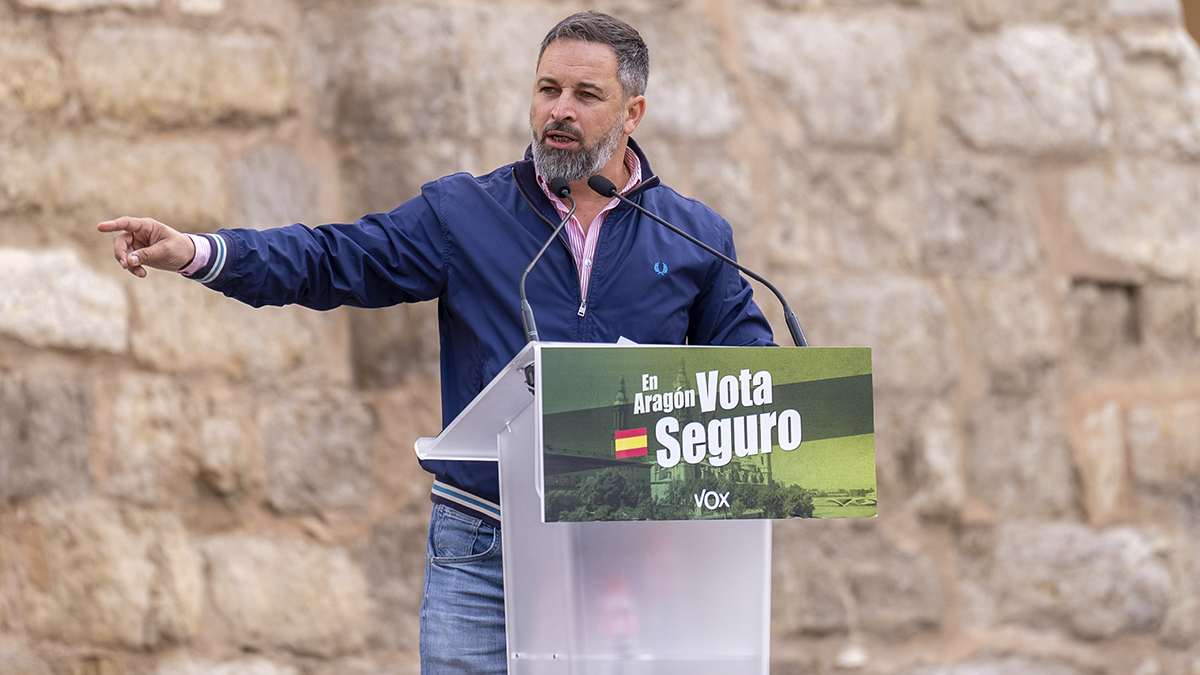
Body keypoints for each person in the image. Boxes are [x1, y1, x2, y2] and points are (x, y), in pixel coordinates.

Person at [98, 11, 774, 674]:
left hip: (625, 548)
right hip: (482, 540)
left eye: (585, 94)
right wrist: (198, 251)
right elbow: (333, 259)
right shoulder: (465, 214)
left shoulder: (694, 236)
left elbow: (751, 383)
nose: (559, 109)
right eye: (547, 89)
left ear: (632, 113)